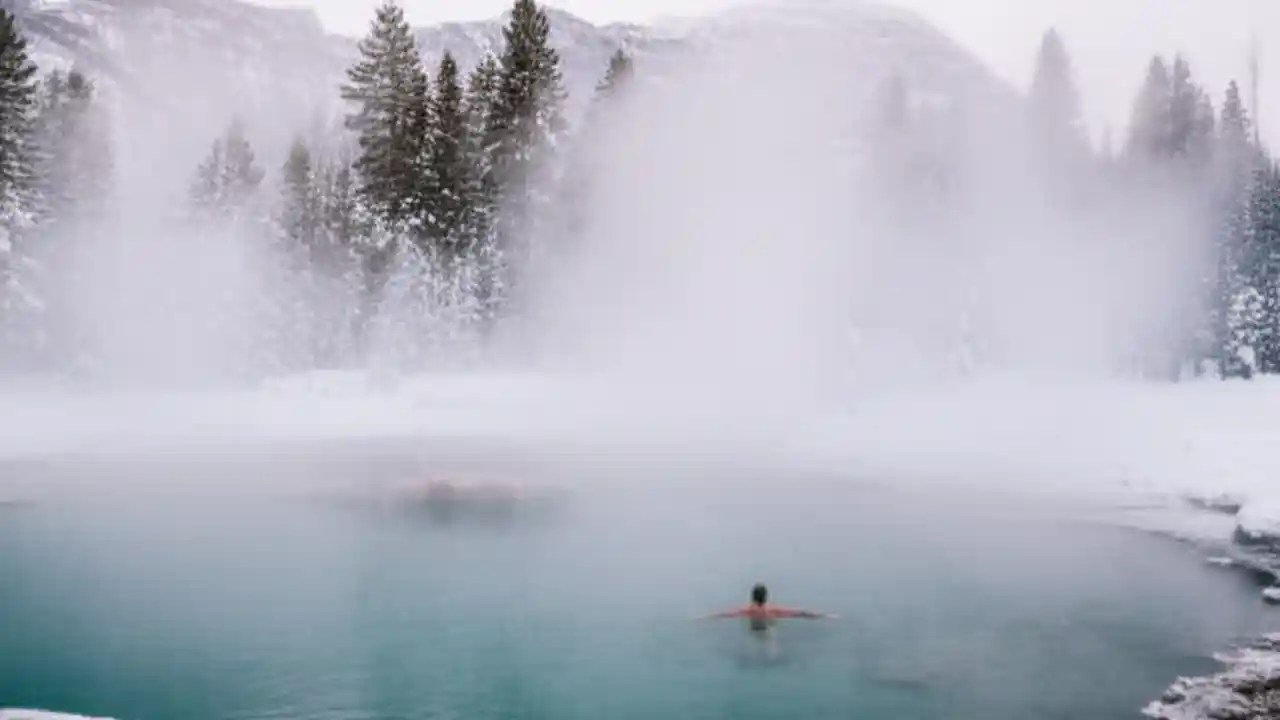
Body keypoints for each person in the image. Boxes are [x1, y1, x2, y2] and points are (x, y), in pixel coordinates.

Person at [700, 584, 837, 631]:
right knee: (770, 640)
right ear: (766, 597)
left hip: (753, 629)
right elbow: (799, 614)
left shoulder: (747, 611)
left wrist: (703, 618)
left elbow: (724, 615)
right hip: (768, 627)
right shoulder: (772, 610)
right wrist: (824, 616)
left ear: (752, 597)